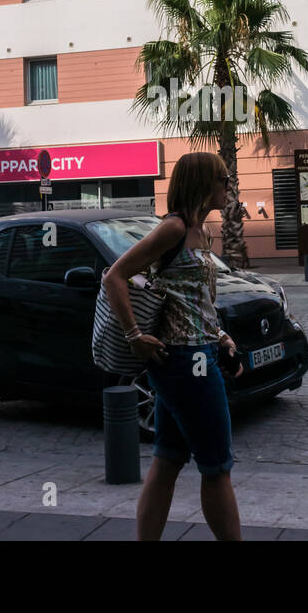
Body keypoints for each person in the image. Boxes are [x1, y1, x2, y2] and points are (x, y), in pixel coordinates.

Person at [101, 151, 244, 541]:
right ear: (201, 183)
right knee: (216, 466)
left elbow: (197, 302)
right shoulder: (174, 230)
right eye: (222, 179)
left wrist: (223, 338)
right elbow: (115, 276)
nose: (228, 186)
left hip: (198, 353)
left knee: (168, 459)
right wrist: (134, 336)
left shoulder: (203, 232)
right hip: (184, 362)